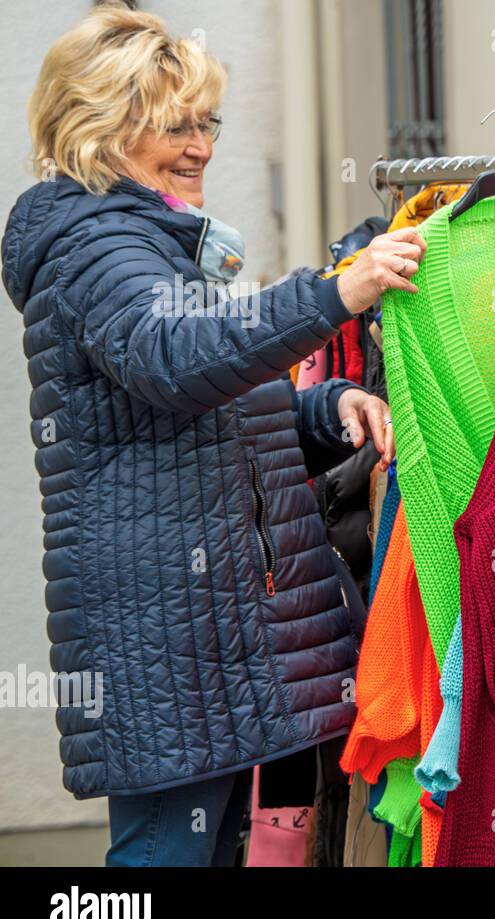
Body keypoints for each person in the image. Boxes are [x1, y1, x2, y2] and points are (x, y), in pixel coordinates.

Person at [1, 4, 425, 865]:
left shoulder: (145, 242)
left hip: (201, 633)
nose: (200, 145)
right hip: (169, 638)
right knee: (161, 863)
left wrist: (322, 410)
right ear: (97, 128)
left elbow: (204, 403)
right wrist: (332, 296)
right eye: (172, 126)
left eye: (207, 122)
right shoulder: (98, 247)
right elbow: (176, 356)